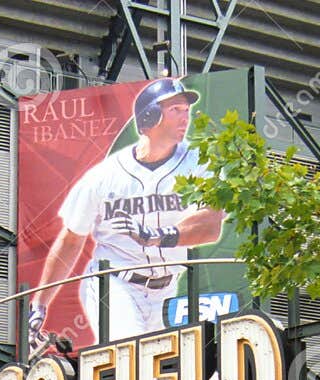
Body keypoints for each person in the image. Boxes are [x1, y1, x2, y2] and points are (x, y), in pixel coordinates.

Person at [30, 77, 226, 349]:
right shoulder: (103, 177)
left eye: (186, 110)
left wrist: (158, 236)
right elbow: (71, 240)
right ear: (149, 117)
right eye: (175, 111)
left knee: (172, 372)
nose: (185, 118)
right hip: (115, 282)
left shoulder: (199, 162)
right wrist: (39, 305)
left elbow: (211, 223)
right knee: (130, 353)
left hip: (170, 288)